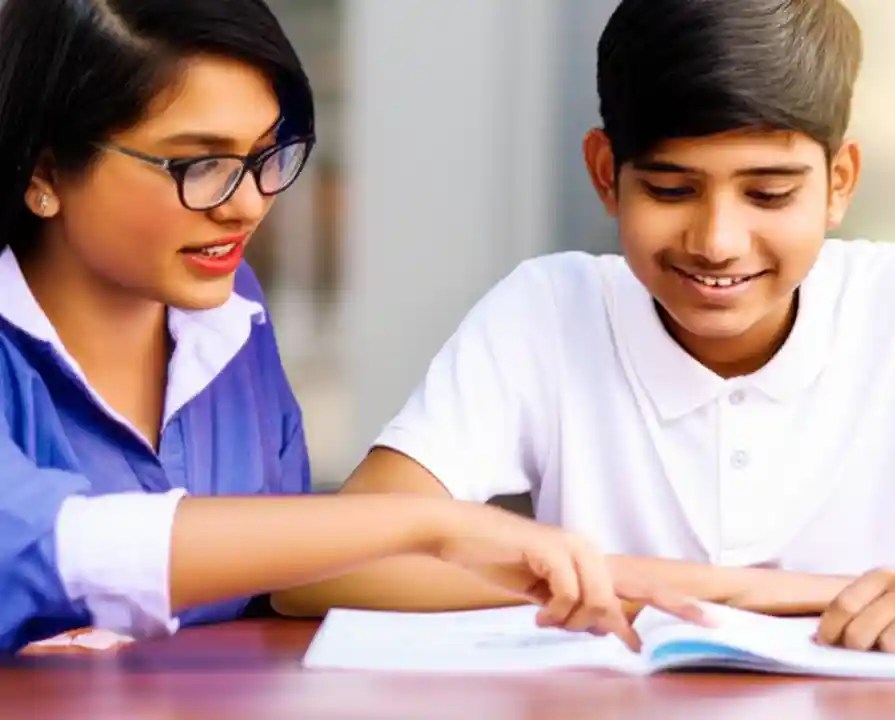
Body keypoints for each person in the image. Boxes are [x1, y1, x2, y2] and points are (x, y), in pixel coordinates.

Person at [274, 0, 895, 656]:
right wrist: (699, 589)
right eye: (670, 189)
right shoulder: (547, 312)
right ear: (606, 174)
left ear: (840, 182)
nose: (718, 241)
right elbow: (326, 568)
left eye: (771, 192)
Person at [0, 0, 697, 655]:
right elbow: (43, 547)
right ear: (46, 168)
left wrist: (678, 589)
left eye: (266, 155)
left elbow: (280, 578)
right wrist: (434, 524)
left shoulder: (225, 312)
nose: (247, 204)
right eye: (200, 165)